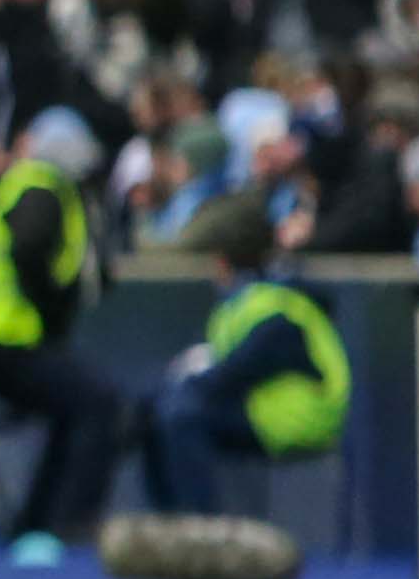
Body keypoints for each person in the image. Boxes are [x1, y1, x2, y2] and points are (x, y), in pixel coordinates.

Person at [0, 111, 116, 563]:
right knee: (99, 403)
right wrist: (53, 310)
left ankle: (37, 522)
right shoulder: (42, 186)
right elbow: (30, 250)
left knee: (74, 407)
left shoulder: (22, 183)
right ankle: (62, 524)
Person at [138, 207, 348, 517]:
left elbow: (233, 373)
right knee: (159, 408)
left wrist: (184, 385)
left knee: (181, 413)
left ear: (222, 262)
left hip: (299, 418)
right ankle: (170, 523)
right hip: (265, 408)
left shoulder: (274, 306)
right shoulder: (244, 304)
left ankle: (199, 527)